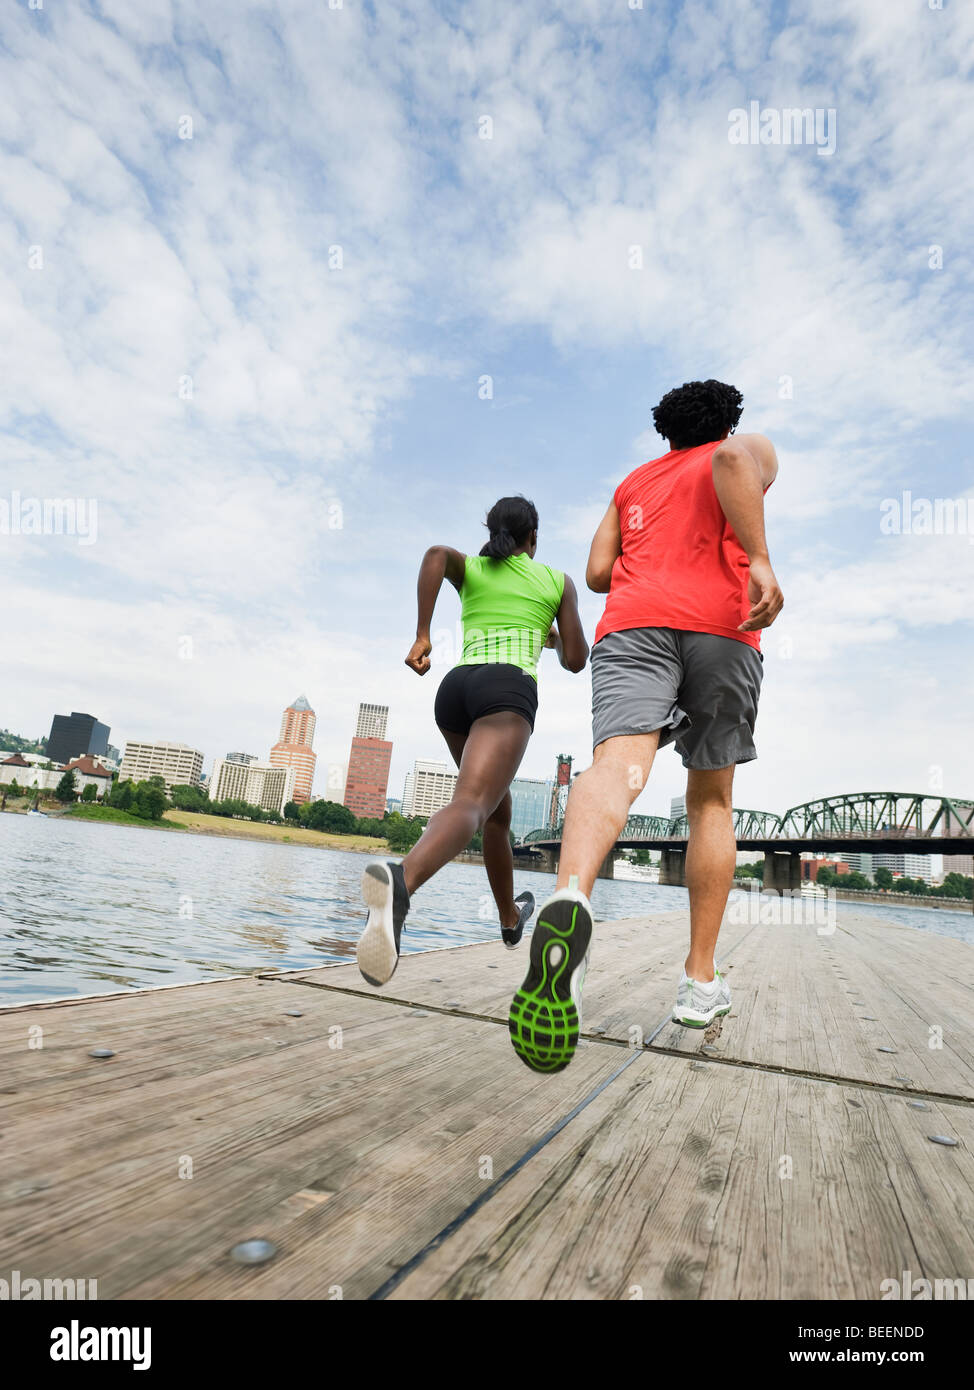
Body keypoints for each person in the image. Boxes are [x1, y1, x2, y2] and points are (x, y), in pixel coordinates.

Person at [508, 379, 783, 1074]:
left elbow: (598, 571)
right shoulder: (739, 449)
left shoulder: (632, 482)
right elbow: (730, 467)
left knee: (617, 767)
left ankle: (571, 895)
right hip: (722, 625)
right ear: (729, 421)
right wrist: (758, 558)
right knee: (710, 799)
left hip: (634, 624)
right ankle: (697, 982)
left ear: (665, 431)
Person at [356, 495, 589, 988]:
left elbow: (436, 555)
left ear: (492, 531)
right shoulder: (555, 581)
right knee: (472, 803)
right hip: (506, 691)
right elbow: (575, 659)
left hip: (456, 691)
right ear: (533, 539)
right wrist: (551, 634)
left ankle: (509, 919)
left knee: (496, 813)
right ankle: (402, 883)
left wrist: (422, 634)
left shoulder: (476, 569)